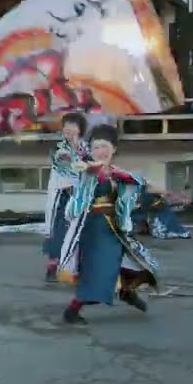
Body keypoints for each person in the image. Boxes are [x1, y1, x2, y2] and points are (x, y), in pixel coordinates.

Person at [58, 124, 159, 324]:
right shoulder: (86, 171)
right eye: (95, 147)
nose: (100, 152)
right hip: (94, 228)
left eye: (104, 146)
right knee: (100, 268)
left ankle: (126, 292)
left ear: (114, 149)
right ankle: (72, 310)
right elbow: (69, 173)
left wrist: (171, 194)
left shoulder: (119, 173)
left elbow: (139, 186)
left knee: (127, 262)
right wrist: (83, 168)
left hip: (115, 227)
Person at [43, 112, 89, 281]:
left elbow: (90, 164)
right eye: (66, 125)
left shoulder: (87, 147)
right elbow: (65, 163)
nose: (68, 129)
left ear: (80, 129)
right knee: (58, 229)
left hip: (80, 195)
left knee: (78, 230)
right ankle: (52, 266)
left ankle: (76, 267)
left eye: (72, 125)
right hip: (61, 195)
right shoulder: (58, 147)